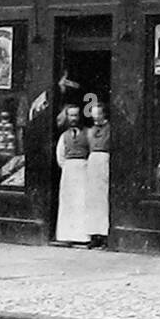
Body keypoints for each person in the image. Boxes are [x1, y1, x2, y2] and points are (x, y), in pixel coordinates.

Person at [54, 102, 91, 245]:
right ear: (67, 117)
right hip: (69, 170)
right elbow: (60, 156)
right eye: (71, 115)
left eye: (76, 115)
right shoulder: (64, 136)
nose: (73, 118)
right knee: (68, 202)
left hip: (83, 168)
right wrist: (67, 167)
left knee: (81, 201)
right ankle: (66, 235)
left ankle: (82, 236)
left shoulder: (87, 133)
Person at [84, 96, 111, 248]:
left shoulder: (110, 129)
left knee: (103, 199)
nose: (95, 118)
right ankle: (93, 234)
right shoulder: (90, 130)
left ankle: (104, 234)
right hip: (93, 162)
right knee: (92, 199)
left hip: (104, 162)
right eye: (93, 115)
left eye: (98, 115)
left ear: (104, 114)